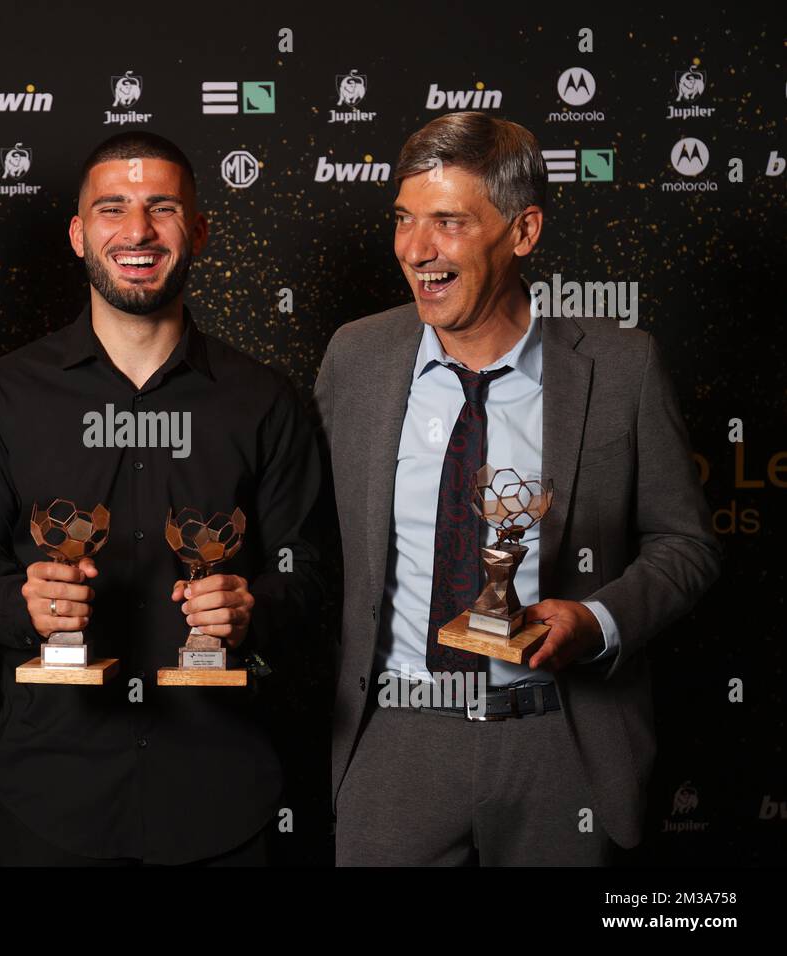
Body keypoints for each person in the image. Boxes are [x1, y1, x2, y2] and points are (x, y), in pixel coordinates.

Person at [315, 111, 720, 865]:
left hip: (559, 739)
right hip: (397, 739)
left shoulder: (623, 369)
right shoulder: (357, 358)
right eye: (403, 220)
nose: (415, 250)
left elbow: (686, 546)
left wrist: (596, 621)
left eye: (448, 222)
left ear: (523, 231)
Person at [0, 131, 323, 866]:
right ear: (80, 235)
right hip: (52, 798)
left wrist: (254, 606)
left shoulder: (263, 400)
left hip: (222, 796)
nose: (138, 231)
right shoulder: (3, 395)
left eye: (162, 208)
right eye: (112, 209)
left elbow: (308, 571)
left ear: (199, 230)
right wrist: (19, 603)